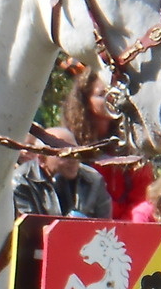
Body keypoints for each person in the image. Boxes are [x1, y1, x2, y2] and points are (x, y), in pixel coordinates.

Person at [61, 68, 148, 215]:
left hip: (126, 229)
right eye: (102, 94)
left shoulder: (131, 145)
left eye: (115, 94)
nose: (112, 99)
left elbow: (142, 200)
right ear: (86, 100)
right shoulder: (71, 143)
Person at [11, 126, 111, 218]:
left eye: (77, 153)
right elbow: (27, 230)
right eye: (66, 155)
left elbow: (106, 228)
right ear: (42, 159)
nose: (74, 160)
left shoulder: (93, 180)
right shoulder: (20, 182)